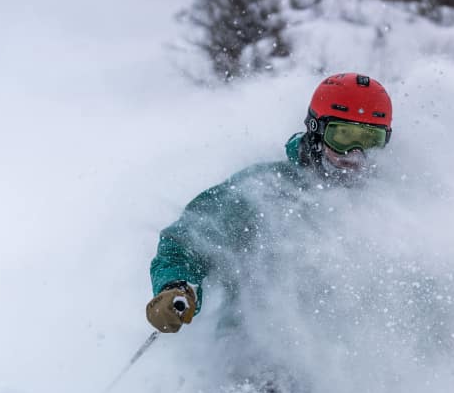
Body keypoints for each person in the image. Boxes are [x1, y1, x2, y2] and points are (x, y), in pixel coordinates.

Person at [145, 72, 393, 339]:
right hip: (258, 353)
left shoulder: (397, 203)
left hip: (359, 358)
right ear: (316, 130)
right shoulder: (264, 190)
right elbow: (185, 242)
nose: (355, 155)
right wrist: (177, 286)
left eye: (370, 140)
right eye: (343, 136)